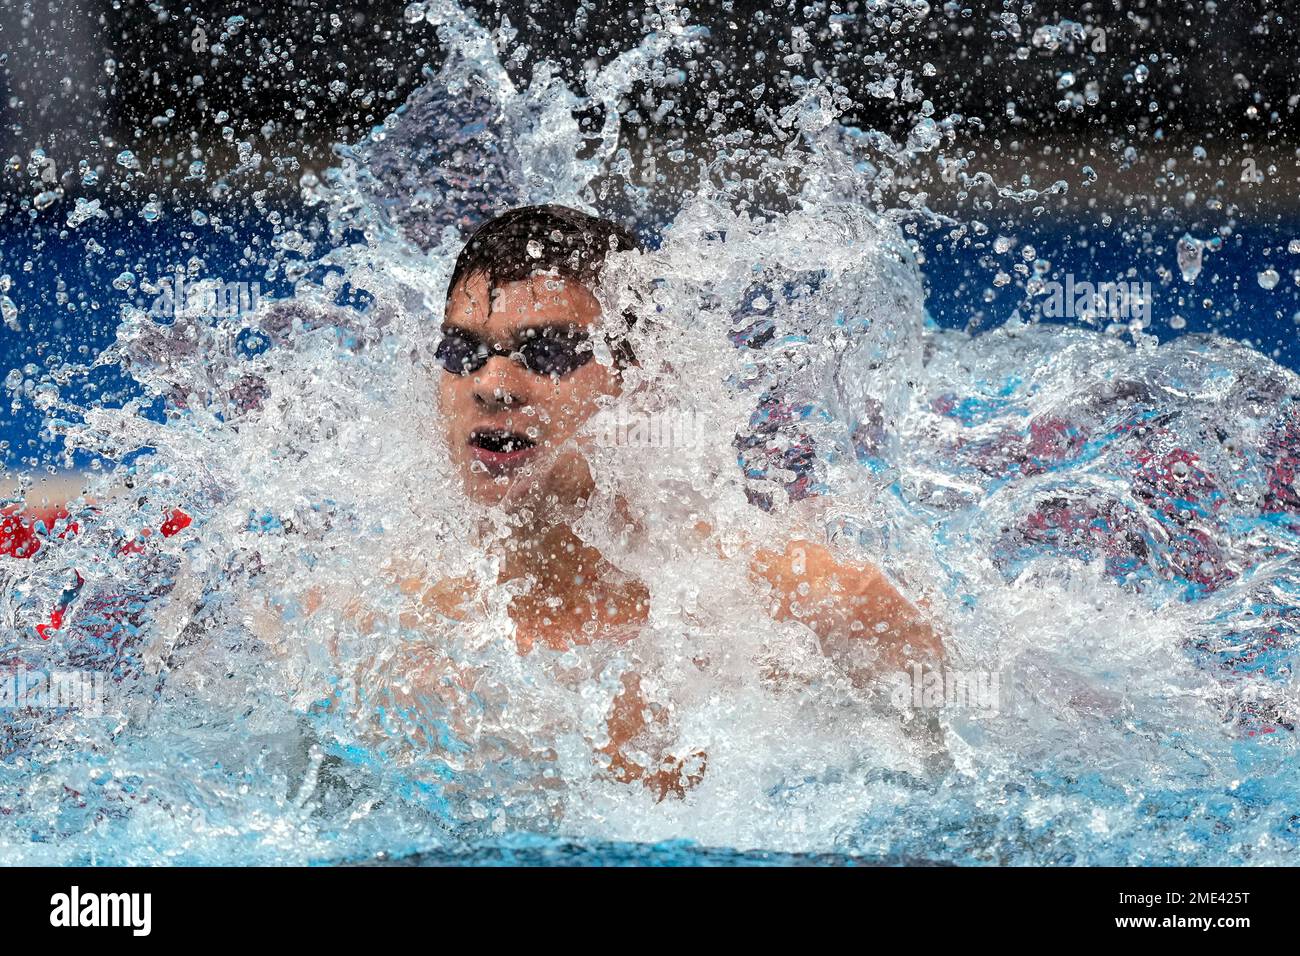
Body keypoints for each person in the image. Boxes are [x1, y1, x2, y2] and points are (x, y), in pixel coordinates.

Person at [312, 203, 941, 800]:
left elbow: (966, 780)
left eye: (549, 352)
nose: (494, 386)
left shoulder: (800, 607)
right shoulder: (360, 631)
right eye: (462, 353)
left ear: (640, 382)